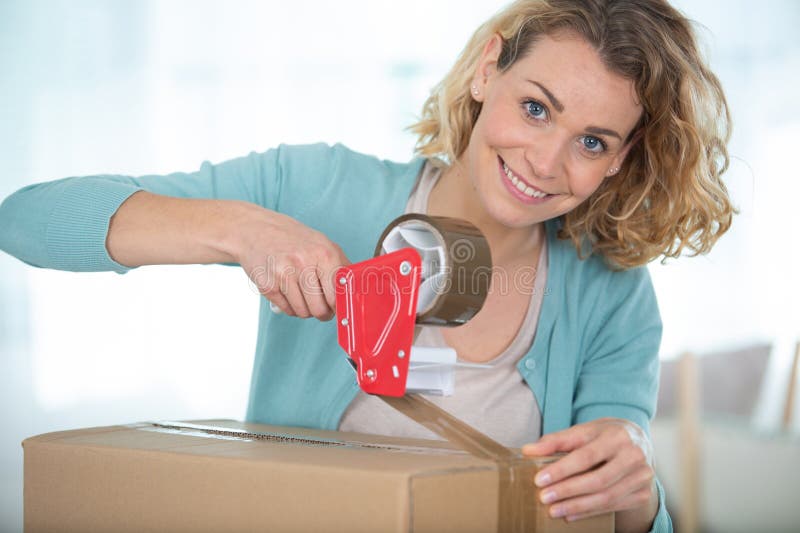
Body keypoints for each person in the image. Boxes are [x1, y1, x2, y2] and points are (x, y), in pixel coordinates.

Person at [0, 0, 734, 531]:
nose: (546, 162)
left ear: (620, 160)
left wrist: (634, 486)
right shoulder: (319, 189)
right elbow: (26, 220)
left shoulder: (612, 292)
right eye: (536, 108)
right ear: (488, 71)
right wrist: (241, 229)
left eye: (593, 142)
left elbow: (622, 512)